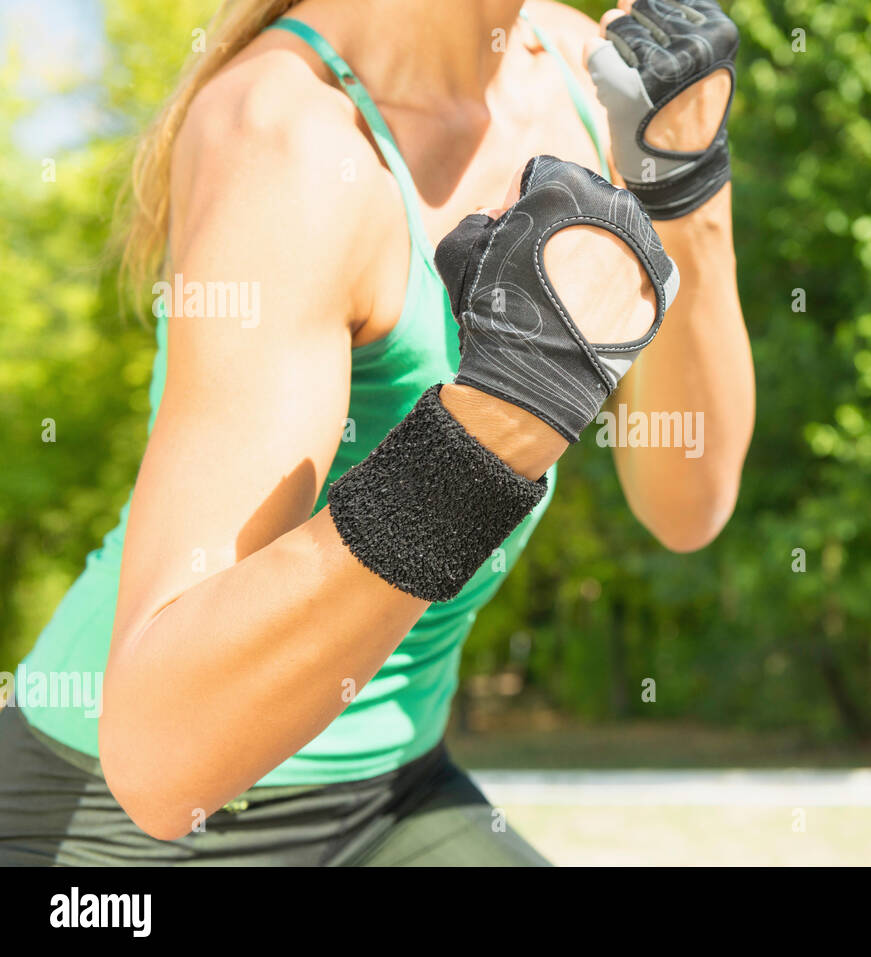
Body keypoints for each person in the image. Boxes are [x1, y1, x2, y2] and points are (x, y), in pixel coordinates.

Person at [0, 0, 754, 865]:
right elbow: (164, 761)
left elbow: (688, 504)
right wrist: (499, 422)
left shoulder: (589, 71)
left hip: (394, 785)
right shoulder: (290, 137)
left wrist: (686, 186)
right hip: (116, 815)